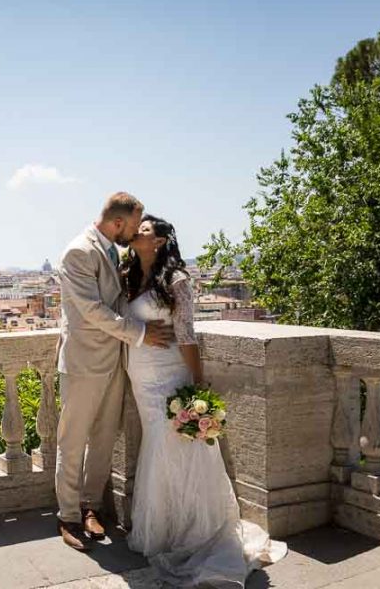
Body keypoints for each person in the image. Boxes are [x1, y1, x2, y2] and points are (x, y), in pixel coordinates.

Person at [124, 214, 286, 587]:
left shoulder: (177, 280)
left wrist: (196, 384)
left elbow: (186, 334)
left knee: (180, 448)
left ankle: (194, 530)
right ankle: (163, 529)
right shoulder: (131, 276)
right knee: (157, 446)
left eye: (144, 230)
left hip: (169, 374)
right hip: (140, 374)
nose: (137, 233)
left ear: (161, 241)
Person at [55, 193, 175, 551]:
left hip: (115, 362)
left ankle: (92, 506)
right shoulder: (79, 251)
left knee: (105, 438)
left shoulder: (114, 252)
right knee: (73, 440)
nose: (137, 232)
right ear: (119, 223)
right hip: (83, 363)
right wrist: (140, 334)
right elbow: (91, 309)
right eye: (135, 225)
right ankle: (68, 516)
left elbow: (119, 299)